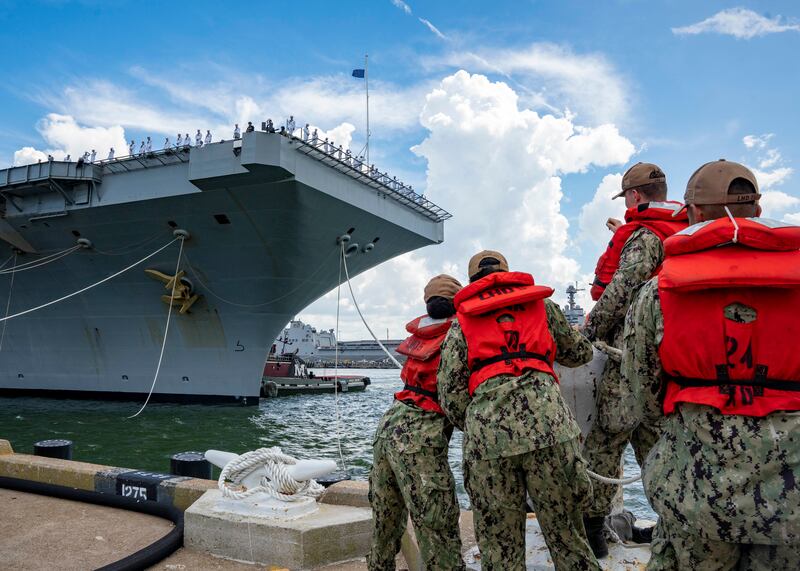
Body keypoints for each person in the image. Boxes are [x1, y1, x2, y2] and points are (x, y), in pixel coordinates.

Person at [623, 159, 800, 569]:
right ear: (757, 210)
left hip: (697, 496)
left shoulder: (656, 295)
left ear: (693, 214)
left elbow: (642, 399)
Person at [438, 251, 600, 570]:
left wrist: (480, 423)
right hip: (551, 430)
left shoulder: (461, 324)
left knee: (500, 550)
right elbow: (580, 353)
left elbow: (450, 395)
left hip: (488, 441)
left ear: (471, 282)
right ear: (507, 272)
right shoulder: (543, 307)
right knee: (568, 538)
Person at [580, 162, 688, 557]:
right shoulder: (678, 232)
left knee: (605, 443)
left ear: (635, 196)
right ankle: (676, 531)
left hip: (631, 361)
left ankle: (593, 533)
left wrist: (589, 333)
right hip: (668, 360)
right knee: (659, 448)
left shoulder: (644, 237)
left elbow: (623, 287)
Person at [368, 274, 465, 571]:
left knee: (385, 521)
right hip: (419, 438)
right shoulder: (458, 335)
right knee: (437, 525)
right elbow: (455, 399)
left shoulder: (422, 335)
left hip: (388, 426)